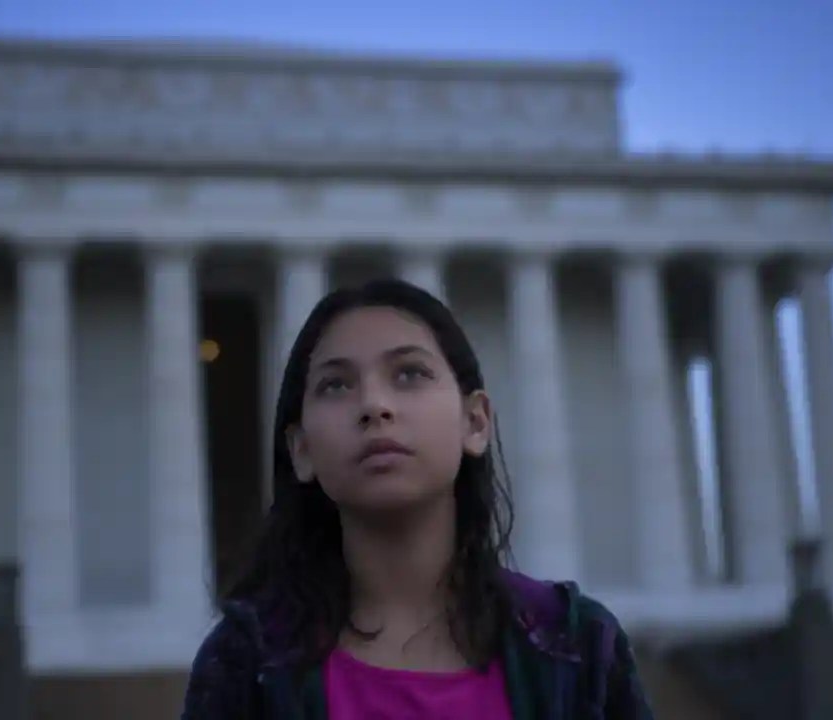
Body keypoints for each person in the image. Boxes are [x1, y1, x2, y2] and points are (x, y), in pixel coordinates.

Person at [180, 278, 654, 719]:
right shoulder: (245, 666)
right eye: (336, 385)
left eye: (409, 374)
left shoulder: (578, 647)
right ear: (301, 450)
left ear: (475, 422)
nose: (374, 405)